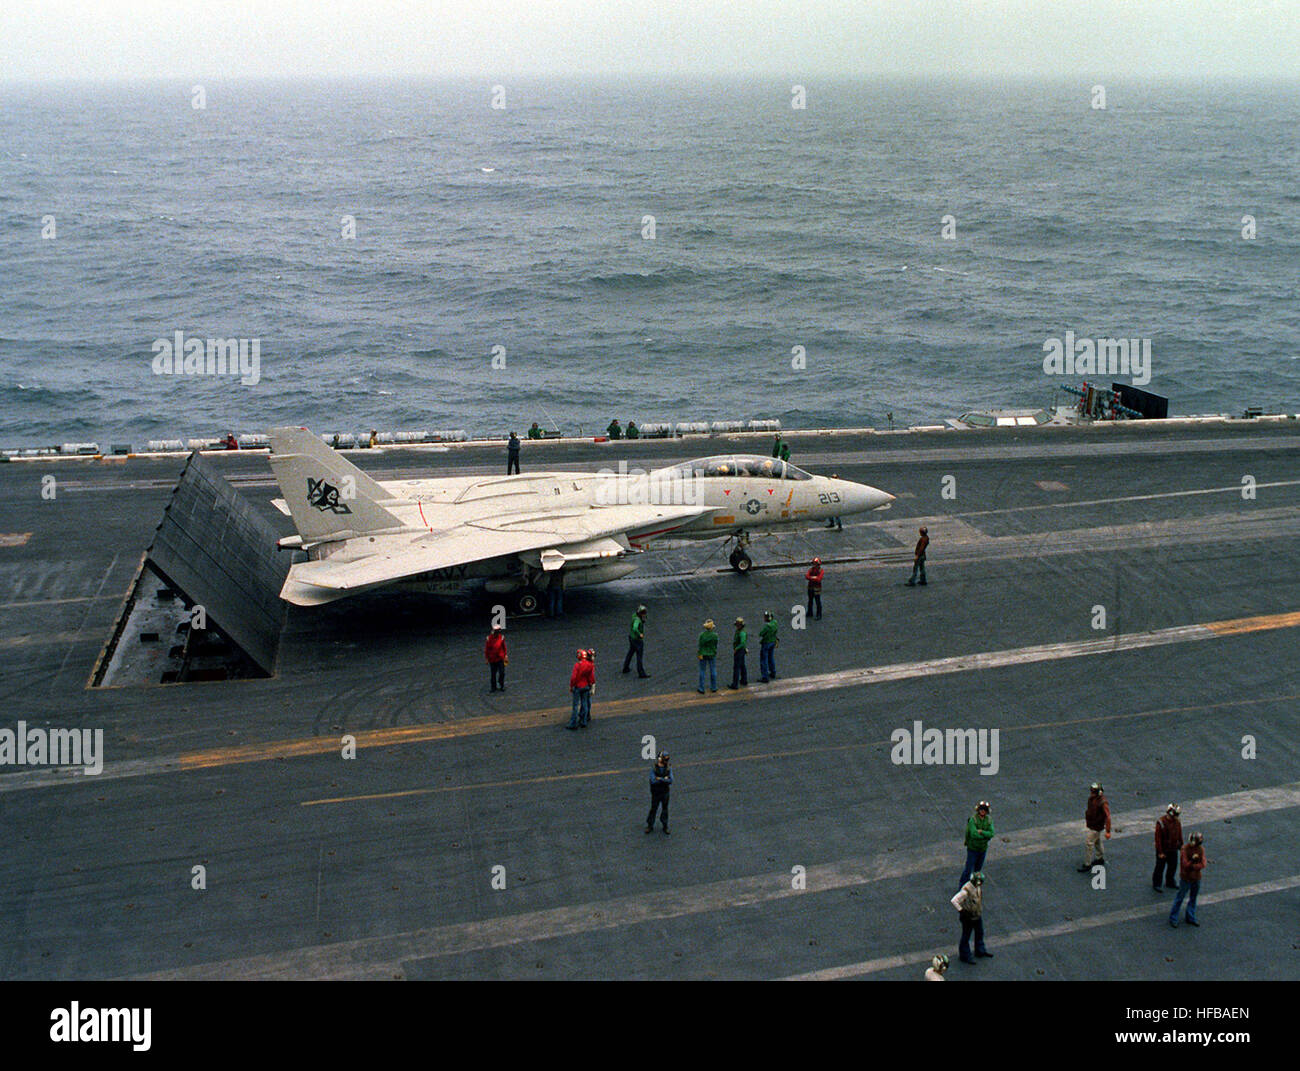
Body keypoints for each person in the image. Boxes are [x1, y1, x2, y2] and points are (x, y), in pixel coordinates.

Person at [951, 872, 992, 964]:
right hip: (968, 916)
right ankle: (964, 955)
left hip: (976, 914)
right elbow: (954, 900)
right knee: (966, 935)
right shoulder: (966, 891)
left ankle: (980, 950)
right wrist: (962, 911)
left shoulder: (977, 887)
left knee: (979, 932)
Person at [1169, 832, 1206, 927]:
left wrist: (1194, 866)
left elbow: (1203, 863)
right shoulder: (1185, 849)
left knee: (1193, 898)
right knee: (1180, 898)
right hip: (1186, 878)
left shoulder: (1200, 849)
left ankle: (1190, 917)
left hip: (1196, 878)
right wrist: (1193, 863)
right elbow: (1185, 864)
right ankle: (1173, 918)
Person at [959, 801, 995, 889]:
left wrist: (981, 832)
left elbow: (991, 833)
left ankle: (973, 888)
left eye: (985, 810)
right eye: (981, 809)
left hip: (982, 849)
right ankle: (962, 887)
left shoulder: (989, 820)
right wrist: (985, 836)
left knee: (977, 871)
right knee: (968, 869)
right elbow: (973, 834)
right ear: (978, 810)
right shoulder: (973, 820)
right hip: (973, 849)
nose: (983, 811)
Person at [1077, 781, 1112, 871]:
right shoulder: (1093, 799)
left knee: (1089, 843)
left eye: (1093, 792)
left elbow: (1108, 817)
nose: (1091, 793)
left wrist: (1108, 831)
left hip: (1096, 826)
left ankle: (1087, 864)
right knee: (1097, 841)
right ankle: (1100, 858)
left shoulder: (1103, 802)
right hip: (1093, 824)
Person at [1153, 804, 1183, 892]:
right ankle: (1157, 883)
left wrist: (1181, 845)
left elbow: (1179, 833)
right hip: (1163, 848)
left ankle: (1170, 881)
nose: (1176, 817)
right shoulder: (1161, 822)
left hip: (1173, 848)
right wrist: (1160, 852)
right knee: (1160, 867)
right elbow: (1158, 839)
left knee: (1173, 866)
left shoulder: (1177, 821)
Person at [567, 648, 594, 730]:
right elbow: (591, 677)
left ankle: (573, 723)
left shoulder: (577, 665)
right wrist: (591, 685)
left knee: (575, 705)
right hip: (586, 686)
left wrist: (571, 686)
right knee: (584, 703)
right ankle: (584, 721)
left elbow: (573, 677)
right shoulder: (590, 665)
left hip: (578, 687)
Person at [646, 752, 672, 834]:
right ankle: (650, 825)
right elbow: (653, 781)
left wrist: (659, 779)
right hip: (656, 792)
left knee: (665, 809)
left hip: (665, 792)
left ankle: (665, 825)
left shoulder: (668, 768)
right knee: (654, 809)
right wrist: (664, 779)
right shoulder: (654, 768)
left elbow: (671, 780)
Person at [622, 604, 649, 677]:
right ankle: (641, 673)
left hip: (631, 638)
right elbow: (635, 628)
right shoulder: (638, 620)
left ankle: (625, 667)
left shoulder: (634, 616)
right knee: (639, 656)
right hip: (637, 640)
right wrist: (640, 634)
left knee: (630, 652)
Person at [697, 619, 718, 693]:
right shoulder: (715, 635)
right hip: (712, 654)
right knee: (713, 670)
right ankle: (714, 687)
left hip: (703, 654)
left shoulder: (702, 635)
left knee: (702, 671)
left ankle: (701, 687)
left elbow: (700, 645)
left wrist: (699, 654)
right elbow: (715, 644)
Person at [484, 626, 507, 692]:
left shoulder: (501, 638)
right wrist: (487, 658)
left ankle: (501, 684)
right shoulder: (489, 638)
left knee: (502, 672)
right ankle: (493, 687)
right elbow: (487, 649)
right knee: (493, 674)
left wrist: (505, 655)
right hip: (492, 659)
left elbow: (504, 647)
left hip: (500, 658)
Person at [758, 610, 779, 682]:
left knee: (764, 660)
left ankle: (765, 676)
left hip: (766, 643)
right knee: (771, 658)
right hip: (773, 641)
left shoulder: (767, 626)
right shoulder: (775, 622)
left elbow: (761, 633)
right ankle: (773, 672)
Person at [728, 617, 748, 689]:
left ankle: (735, 684)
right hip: (741, 650)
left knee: (736, 667)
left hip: (739, 651)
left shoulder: (741, 633)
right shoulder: (740, 631)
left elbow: (742, 643)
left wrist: (736, 648)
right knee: (742, 665)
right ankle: (744, 680)